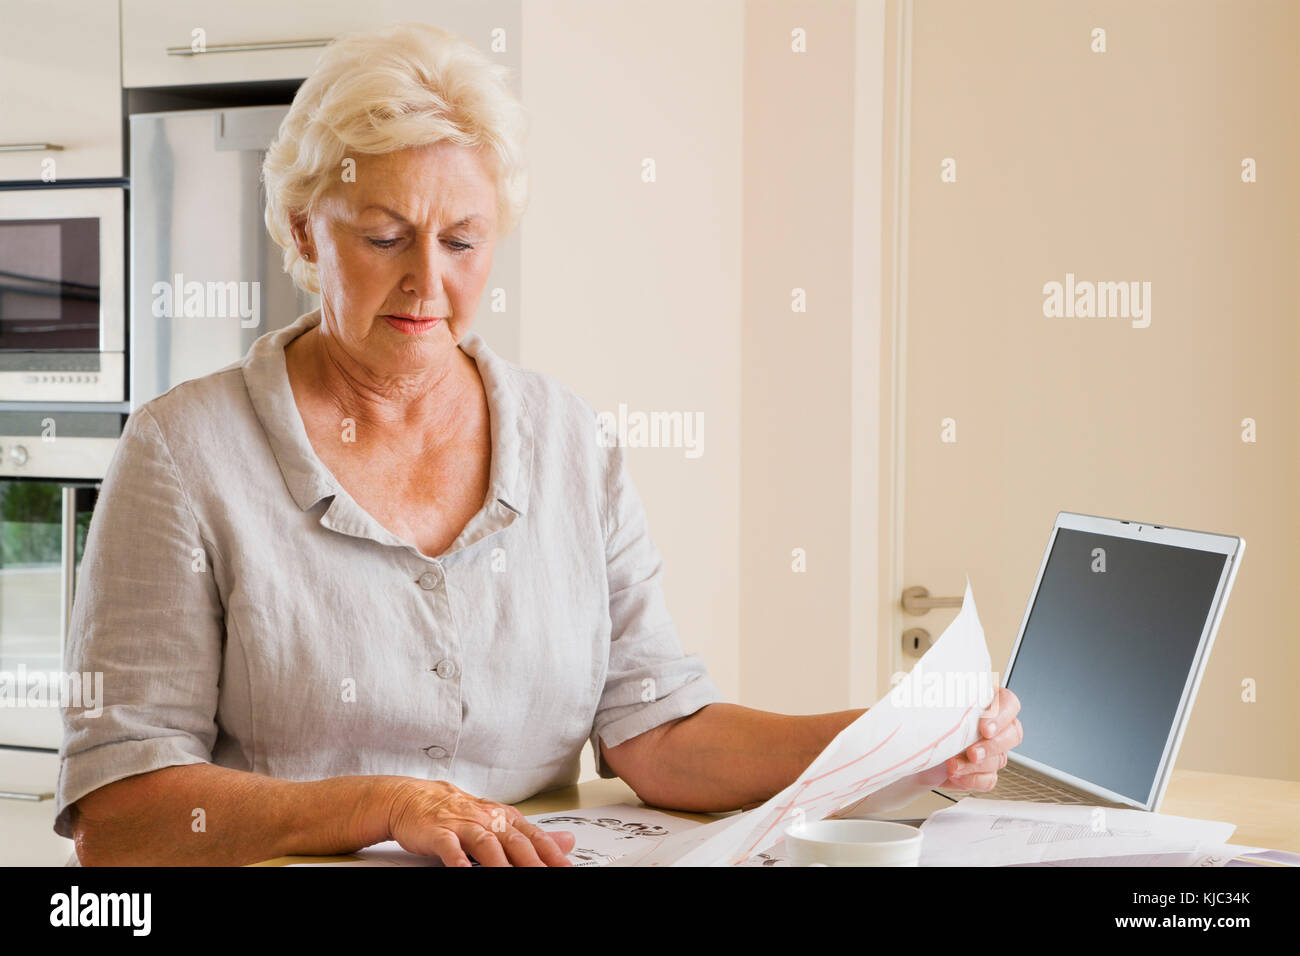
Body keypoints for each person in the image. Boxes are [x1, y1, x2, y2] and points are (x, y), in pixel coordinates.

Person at [56, 22, 1022, 867]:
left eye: (463, 242)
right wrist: (385, 804)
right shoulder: (184, 453)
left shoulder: (568, 443)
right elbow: (122, 817)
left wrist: (898, 740)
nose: (426, 282)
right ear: (308, 235)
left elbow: (662, 736)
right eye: (385, 236)